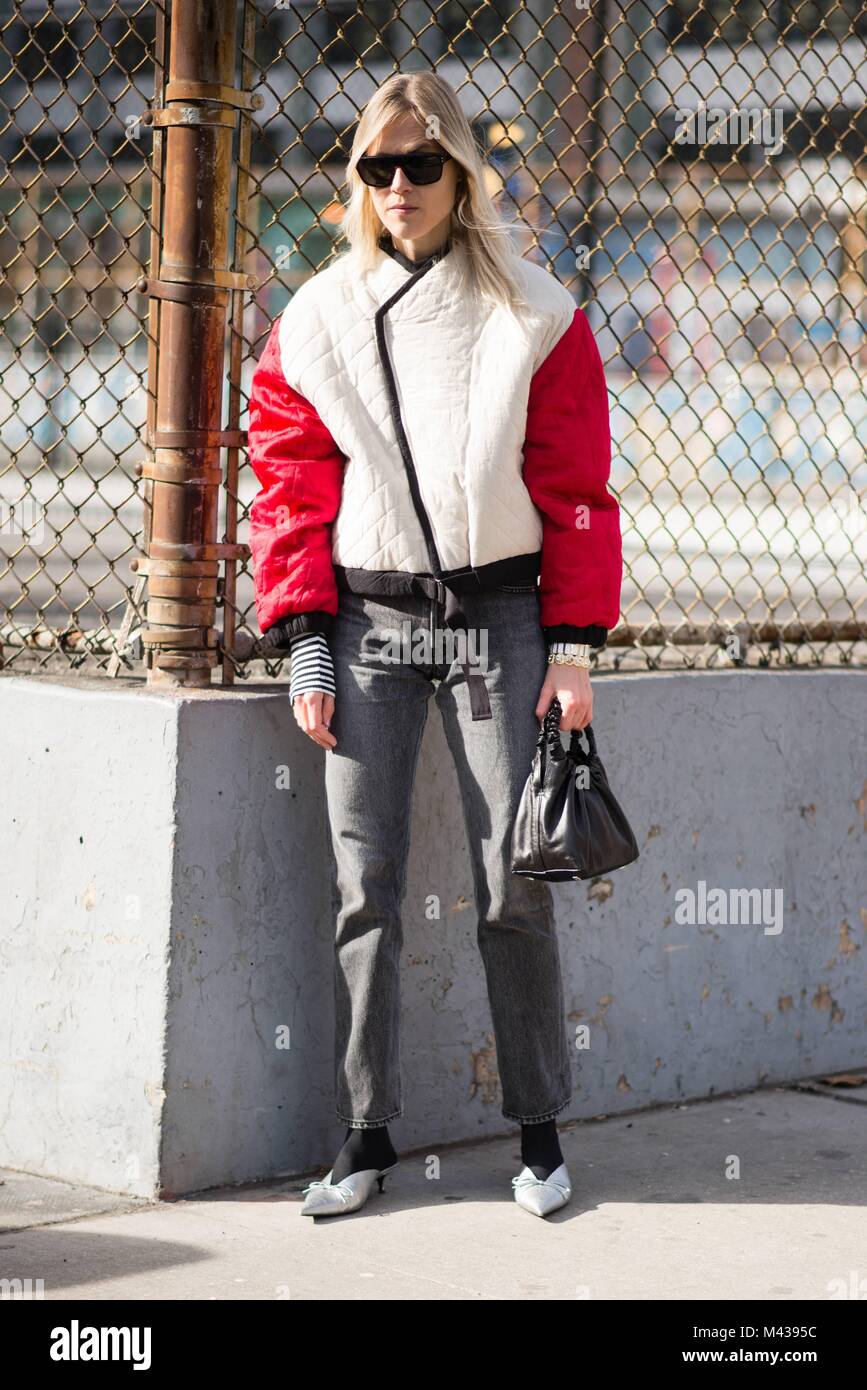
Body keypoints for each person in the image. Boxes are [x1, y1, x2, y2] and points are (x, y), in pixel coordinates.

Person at [246, 71, 622, 1220]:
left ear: (461, 171)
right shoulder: (315, 314)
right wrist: (306, 635)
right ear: (357, 180)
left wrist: (572, 645)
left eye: (421, 163)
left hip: (503, 619)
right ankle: (365, 1135)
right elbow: (289, 481)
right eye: (376, 166)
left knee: (514, 882)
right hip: (366, 623)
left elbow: (576, 487)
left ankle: (542, 1134)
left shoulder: (537, 311)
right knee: (365, 887)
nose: (398, 186)